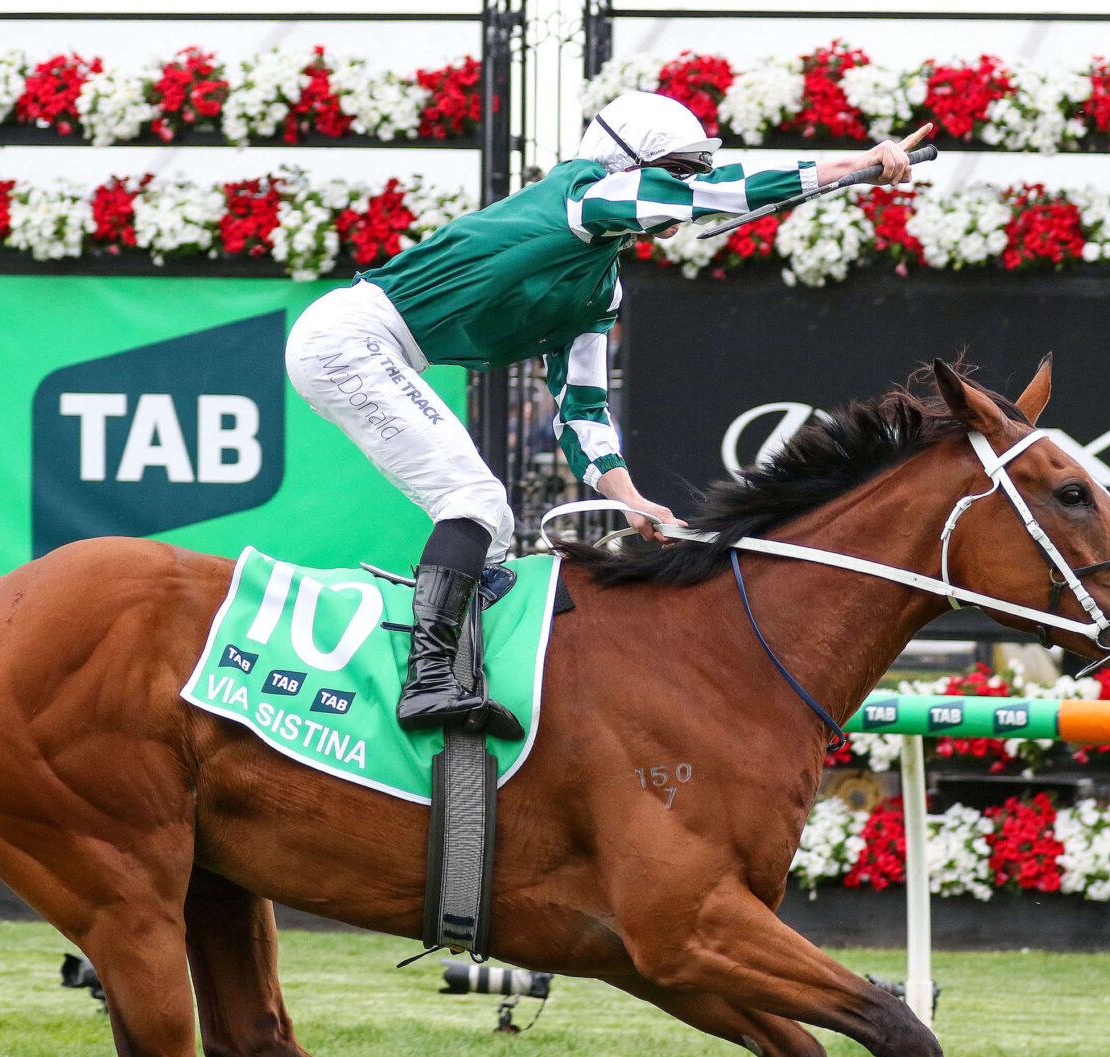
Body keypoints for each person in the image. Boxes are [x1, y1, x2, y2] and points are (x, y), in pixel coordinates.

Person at [287, 90, 929, 738]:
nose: (692, 184)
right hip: (349, 338)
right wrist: (853, 167)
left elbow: (582, 411)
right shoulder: (583, 195)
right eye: (681, 169)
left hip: (369, 347)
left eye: (693, 172)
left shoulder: (601, 282)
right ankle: (427, 682)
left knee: (495, 526)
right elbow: (711, 197)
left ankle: (452, 669)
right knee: (476, 500)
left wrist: (632, 500)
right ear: (630, 166)